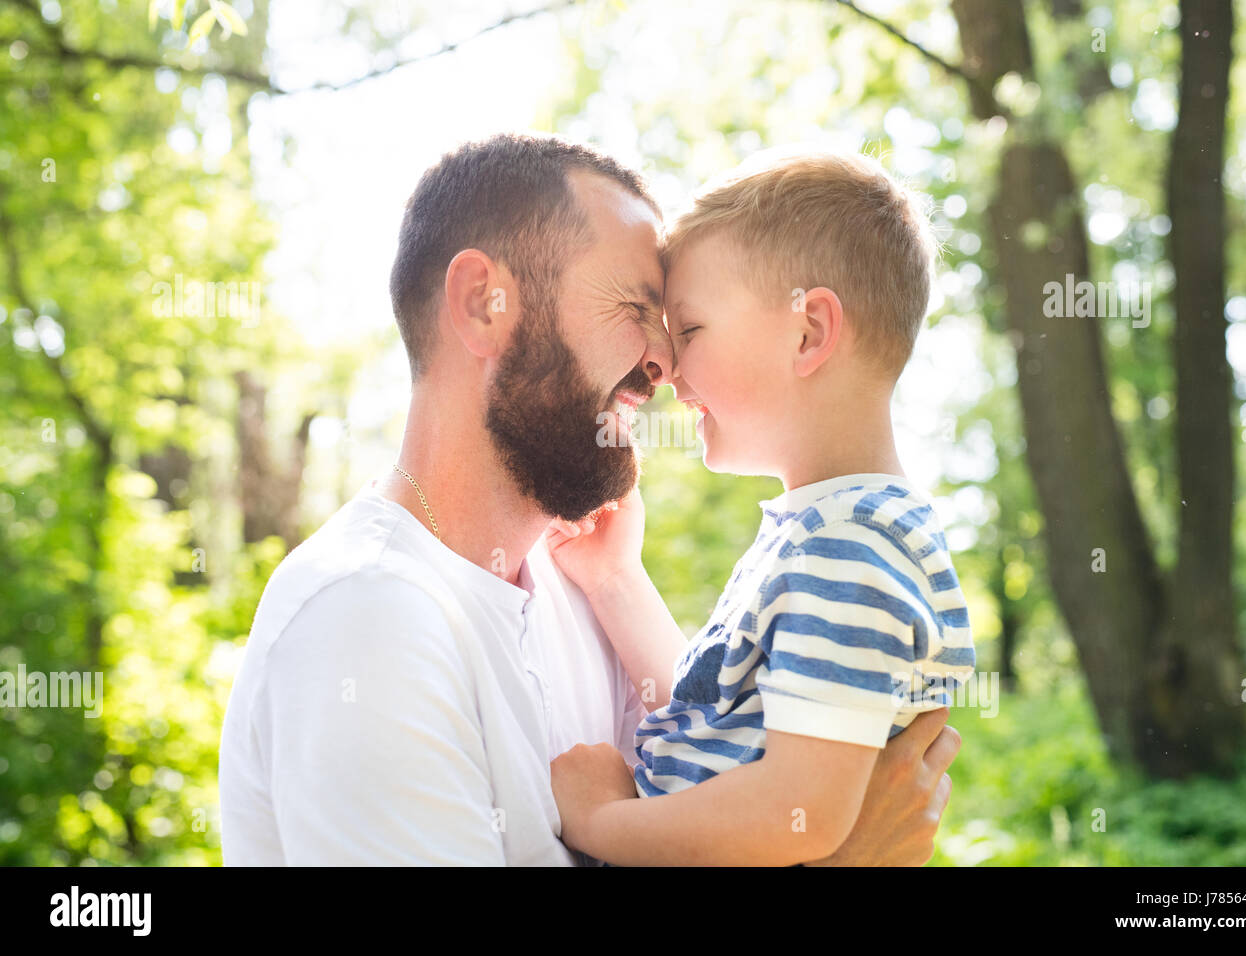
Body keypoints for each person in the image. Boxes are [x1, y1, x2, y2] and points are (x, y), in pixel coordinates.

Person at [218, 133, 961, 865]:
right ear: (484, 303)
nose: (665, 361)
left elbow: (718, 764)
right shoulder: (367, 617)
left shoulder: (582, 591)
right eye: (637, 309)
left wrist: (614, 583)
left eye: (682, 325)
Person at [546, 147, 976, 866]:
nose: (669, 370)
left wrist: (602, 824)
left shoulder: (852, 552)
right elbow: (717, 725)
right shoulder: (828, 534)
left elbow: (796, 814)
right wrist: (616, 582)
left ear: (808, 332)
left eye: (689, 330)